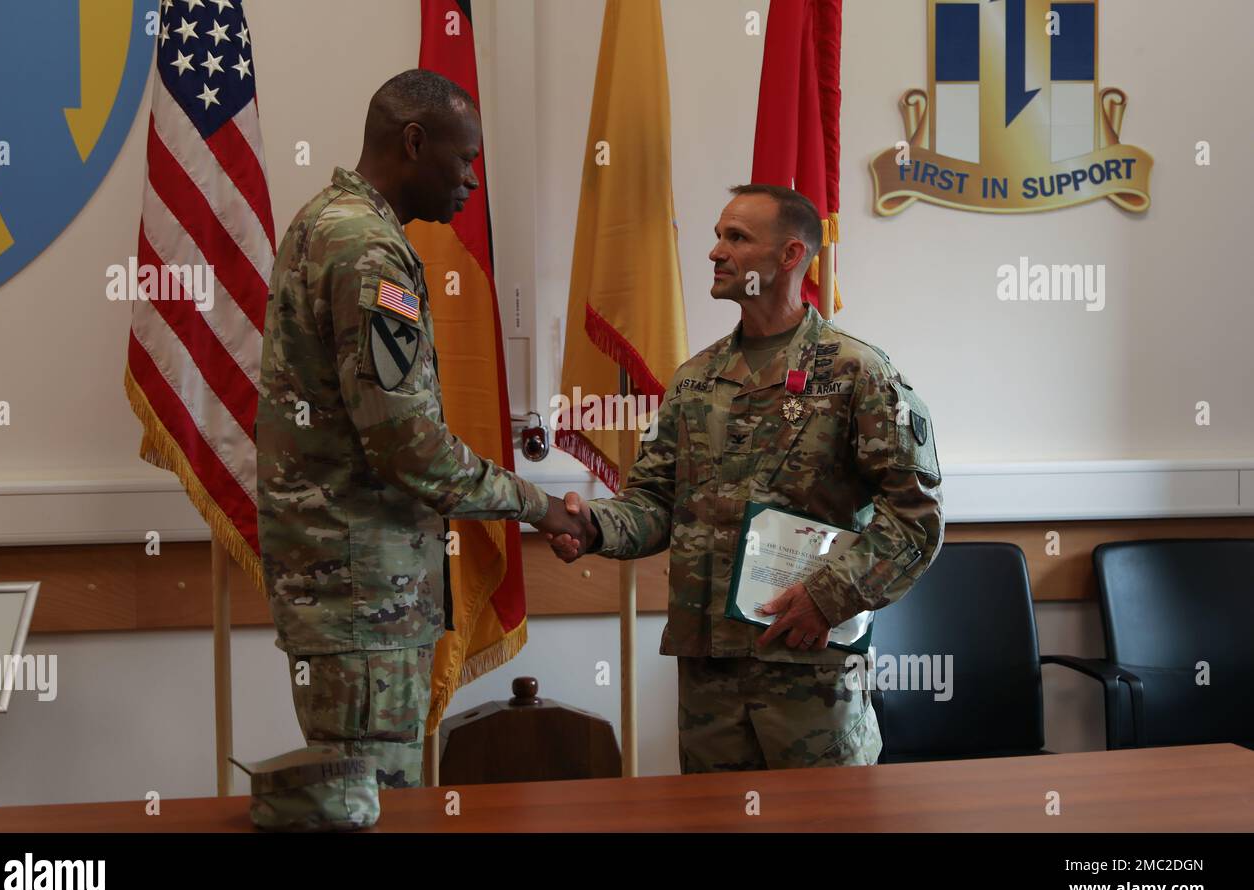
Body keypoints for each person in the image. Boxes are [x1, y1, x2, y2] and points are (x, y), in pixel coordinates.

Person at [257, 69, 594, 789]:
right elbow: (409, 446)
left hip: (346, 594)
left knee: (356, 802)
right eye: (465, 157)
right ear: (413, 141)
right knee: (373, 806)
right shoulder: (369, 253)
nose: (473, 179)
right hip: (361, 602)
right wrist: (536, 508)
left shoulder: (329, 221)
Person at [551, 184, 944, 773]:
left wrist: (825, 596)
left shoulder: (856, 372)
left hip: (809, 669)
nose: (715, 251)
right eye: (717, 236)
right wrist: (596, 527)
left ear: (790, 256)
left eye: (736, 237)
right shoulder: (695, 379)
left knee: (823, 828)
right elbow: (657, 501)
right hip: (710, 672)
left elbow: (915, 521)